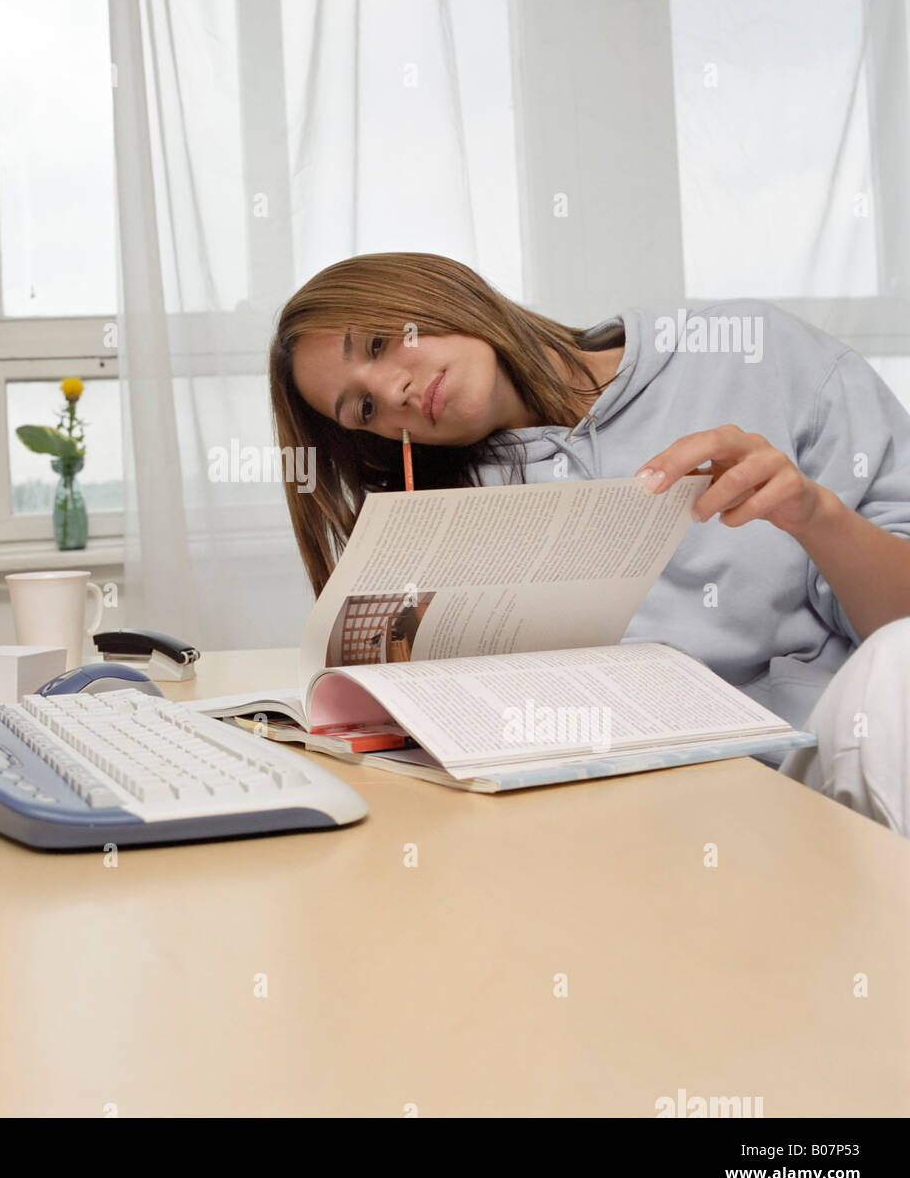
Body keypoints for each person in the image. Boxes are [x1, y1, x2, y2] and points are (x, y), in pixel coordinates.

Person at [268, 252, 910, 834]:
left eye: (381, 344)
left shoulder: (753, 354)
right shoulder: (437, 521)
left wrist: (814, 514)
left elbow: (899, 626)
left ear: (438, 289)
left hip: (827, 762)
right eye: (365, 412)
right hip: (614, 819)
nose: (390, 392)